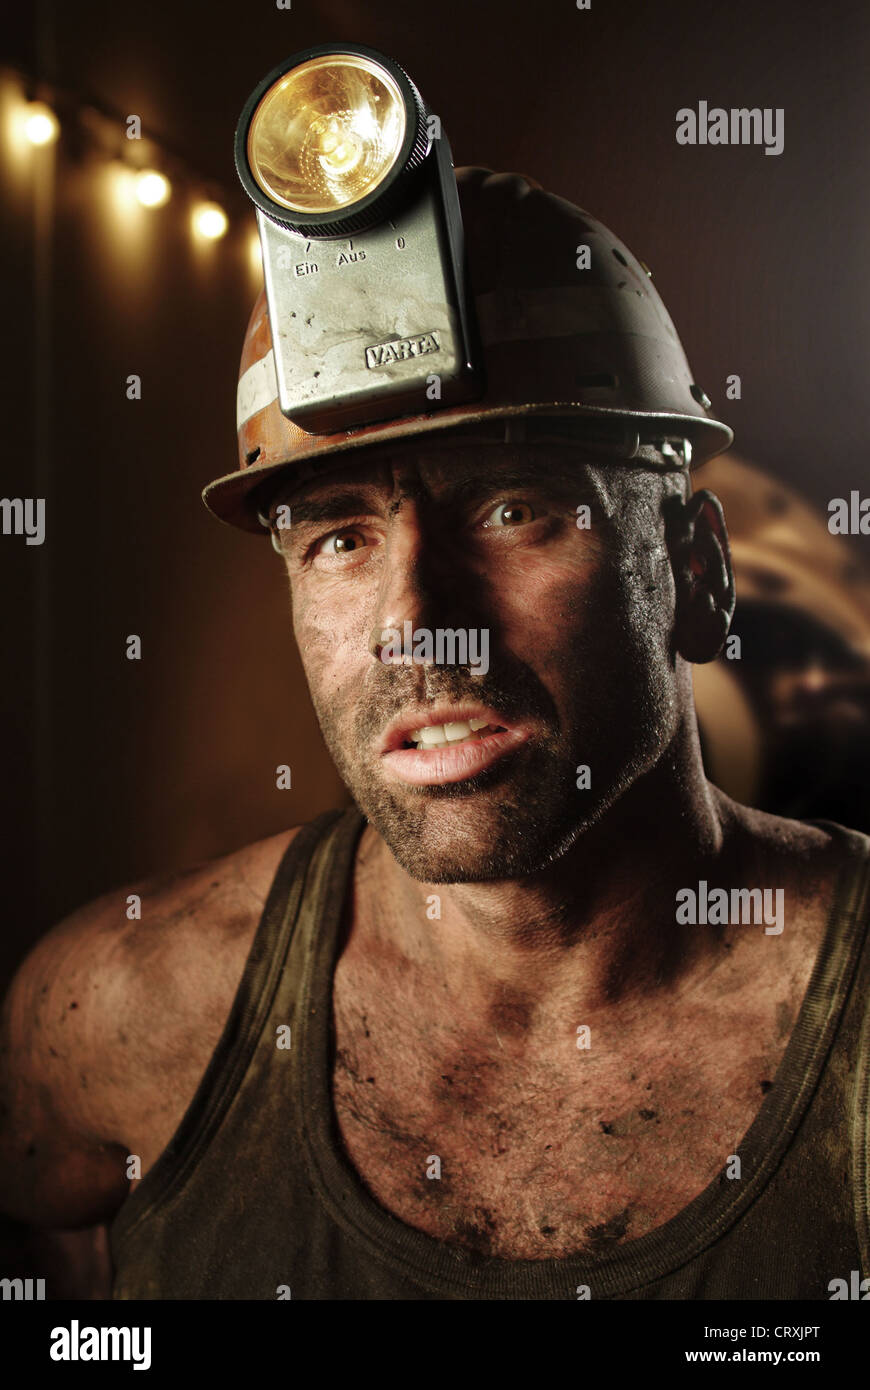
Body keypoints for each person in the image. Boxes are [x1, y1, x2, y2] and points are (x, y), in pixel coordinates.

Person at [2, 169, 868, 1301]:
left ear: (695, 573)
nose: (418, 625)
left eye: (514, 509)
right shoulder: (128, 1007)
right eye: (339, 539)